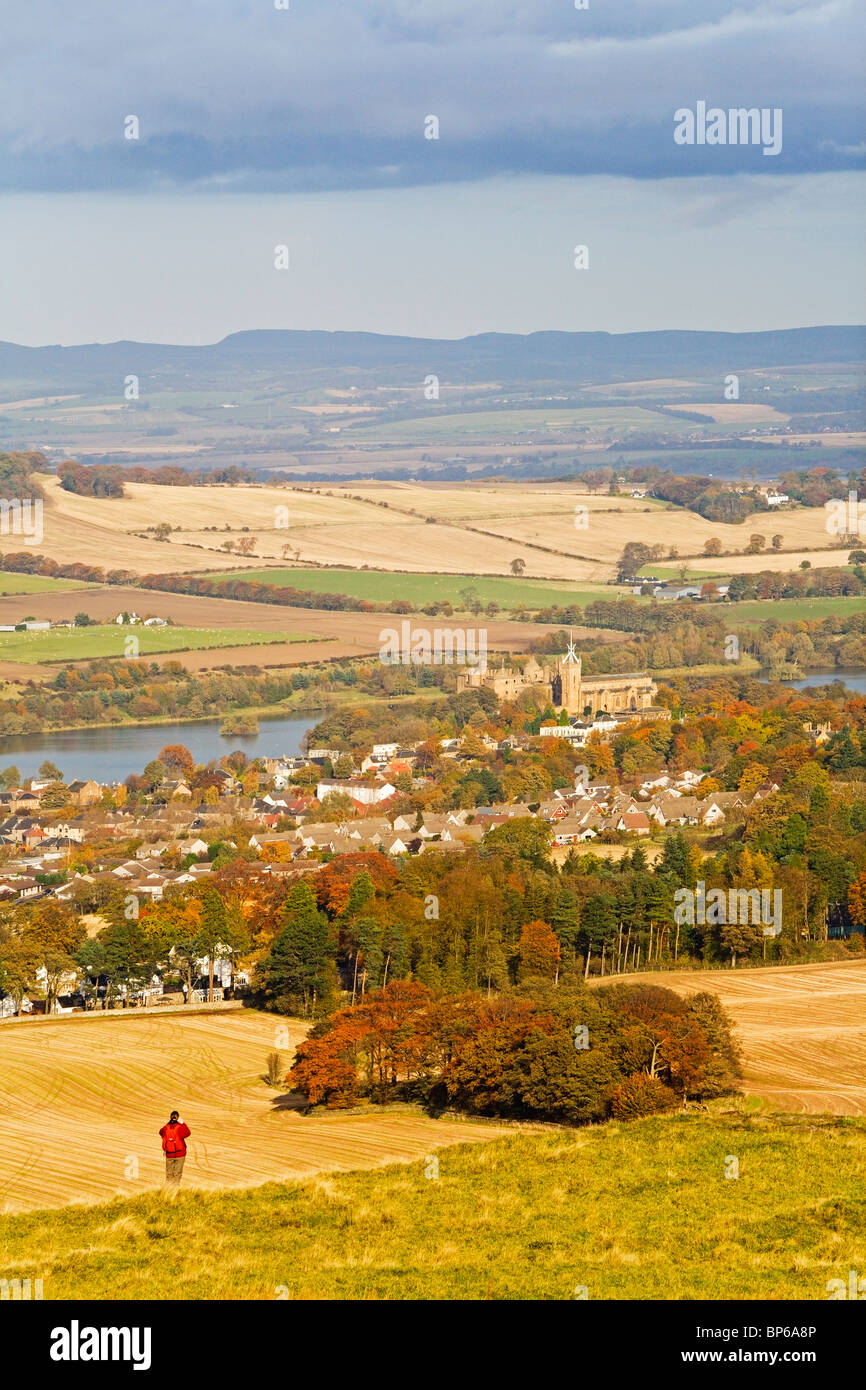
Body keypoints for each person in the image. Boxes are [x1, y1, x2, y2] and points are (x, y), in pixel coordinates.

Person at [159, 1110, 191, 1191]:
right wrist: (182, 1123)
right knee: (177, 1174)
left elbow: (160, 1132)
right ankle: (175, 1191)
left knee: (169, 1174)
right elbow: (188, 1133)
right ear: (178, 1118)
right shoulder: (180, 1127)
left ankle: (168, 1191)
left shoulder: (166, 1128)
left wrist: (169, 1123)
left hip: (169, 1154)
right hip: (180, 1154)